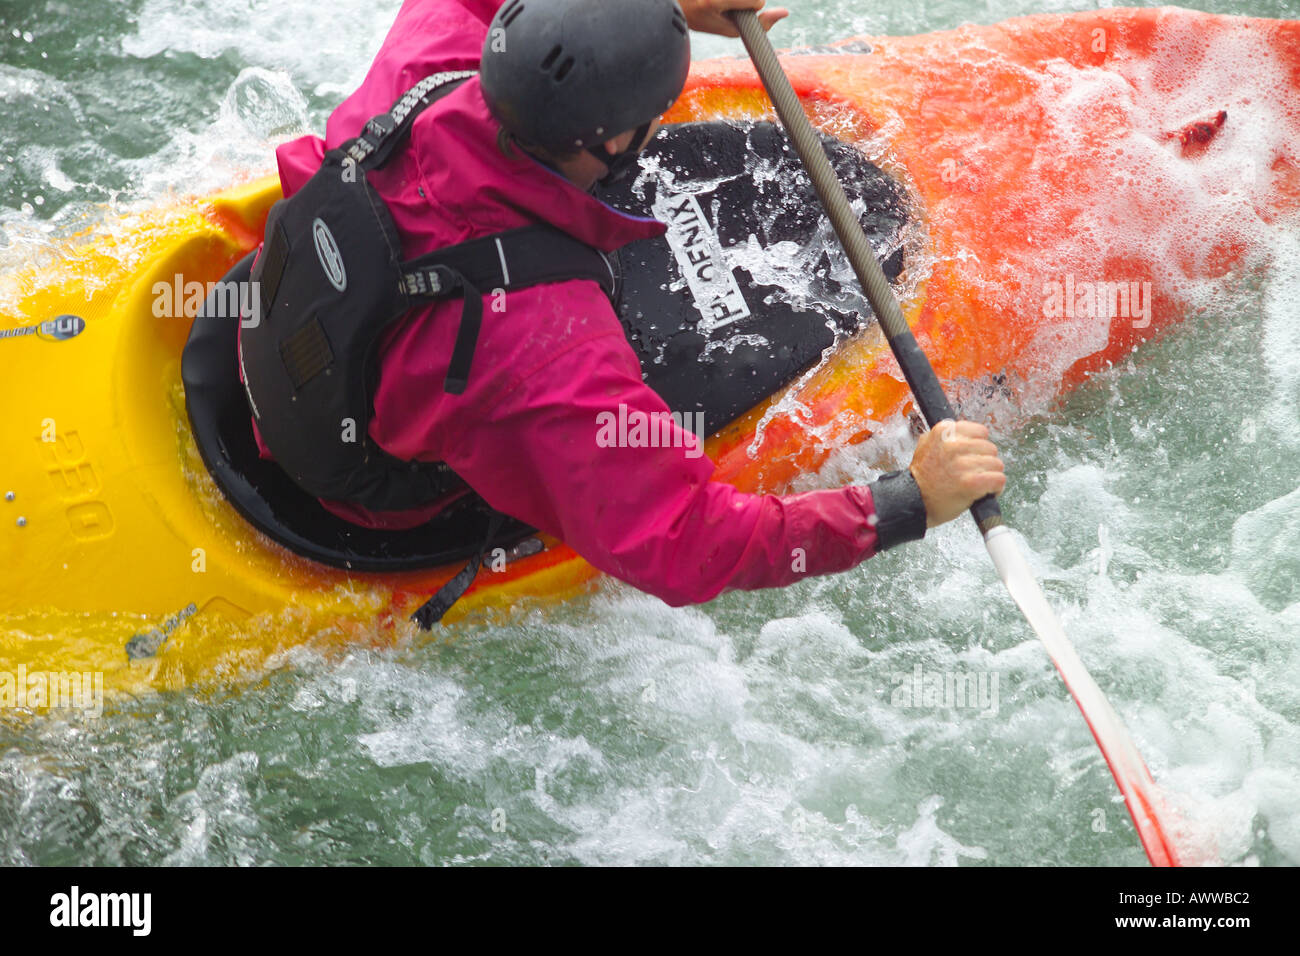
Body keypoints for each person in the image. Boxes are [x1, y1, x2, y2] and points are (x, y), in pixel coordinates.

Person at [249, 0, 1007, 609]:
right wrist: (907, 503)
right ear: (614, 141)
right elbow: (684, 545)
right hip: (377, 491)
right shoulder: (548, 352)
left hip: (288, 334)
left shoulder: (430, 63)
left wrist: (649, 16)